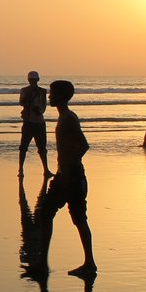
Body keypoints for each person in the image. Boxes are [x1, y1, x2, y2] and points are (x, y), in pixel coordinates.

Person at [31, 80, 97, 275]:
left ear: (62, 96)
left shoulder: (69, 118)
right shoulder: (63, 118)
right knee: (47, 214)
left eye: (52, 93)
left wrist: (68, 169)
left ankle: (88, 264)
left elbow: (84, 145)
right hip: (65, 176)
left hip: (72, 177)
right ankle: (44, 262)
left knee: (76, 218)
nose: (49, 96)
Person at [18, 71, 52, 177]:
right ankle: (21, 170)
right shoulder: (24, 90)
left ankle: (46, 170)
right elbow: (22, 102)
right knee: (23, 147)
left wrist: (38, 110)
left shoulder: (42, 91)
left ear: (37, 80)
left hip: (39, 122)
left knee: (42, 148)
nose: (32, 81)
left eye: (34, 79)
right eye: (31, 80)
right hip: (28, 121)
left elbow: (43, 107)